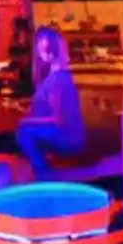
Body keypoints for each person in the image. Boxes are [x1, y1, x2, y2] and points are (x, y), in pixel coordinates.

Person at [16, 27, 84, 178]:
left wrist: (27, 120)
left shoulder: (58, 78)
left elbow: (56, 119)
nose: (44, 51)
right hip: (60, 132)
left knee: (23, 133)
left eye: (47, 47)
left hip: (68, 136)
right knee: (20, 131)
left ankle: (43, 174)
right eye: (40, 47)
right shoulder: (50, 77)